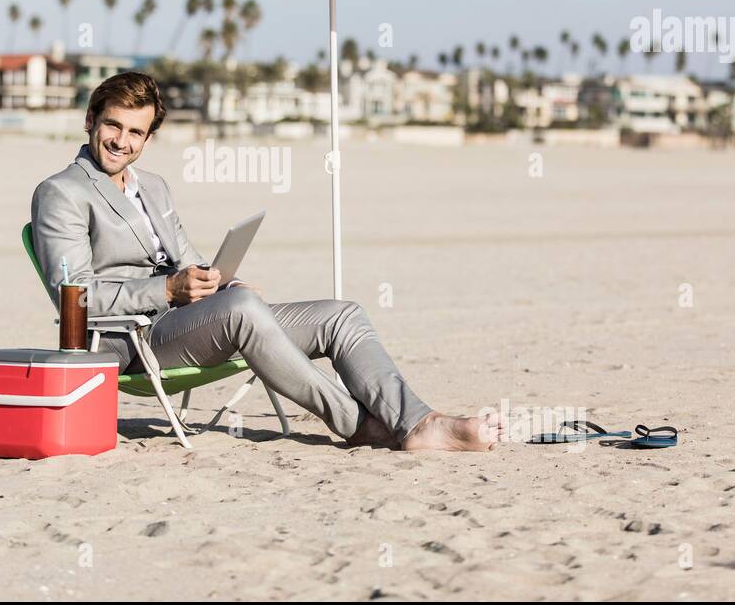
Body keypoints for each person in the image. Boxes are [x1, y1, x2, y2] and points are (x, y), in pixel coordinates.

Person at [30, 72, 502, 452]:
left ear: (149, 138)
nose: (121, 141)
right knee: (243, 312)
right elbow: (76, 297)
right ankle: (359, 424)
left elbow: (186, 260)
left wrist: (218, 283)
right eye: (113, 125)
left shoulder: (152, 185)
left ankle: (419, 422)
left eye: (136, 132)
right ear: (91, 119)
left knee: (342, 315)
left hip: (193, 321)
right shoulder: (61, 193)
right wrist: (170, 291)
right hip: (129, 341)